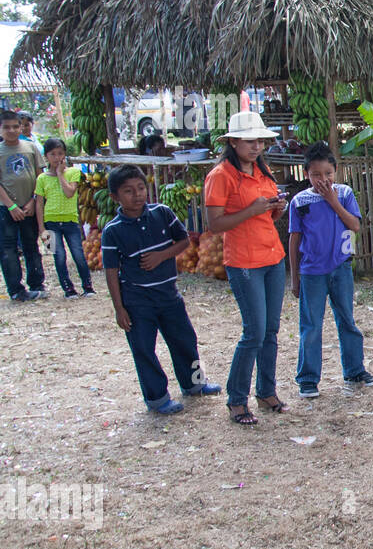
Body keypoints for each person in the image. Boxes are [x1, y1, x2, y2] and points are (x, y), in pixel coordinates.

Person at [104, 165, 222, 414]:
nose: (137, 195)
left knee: (185, 341)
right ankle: (157, 398)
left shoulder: (162, 213)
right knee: (144, 349)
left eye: (140, 188)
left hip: (169, 296)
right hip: (137, 301)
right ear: (115, 197)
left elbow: (182, 241)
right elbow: (111, 271)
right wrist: (119, 308)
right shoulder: (113, 231)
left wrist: (161, 256)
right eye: (128, 191)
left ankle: (194, 384)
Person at [204, 111, 289, 425]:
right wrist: (251, 210)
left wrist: (275, 208)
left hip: (273, 259)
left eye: (260, 141)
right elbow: (214, 224)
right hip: (243, 262)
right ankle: (237, 400)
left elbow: (267, 218)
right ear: (234, 142)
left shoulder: (262, 172)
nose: (257, 146)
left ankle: (266, 391)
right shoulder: (220, 176)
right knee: (253, 332)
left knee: (270, 331)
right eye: (251, 141)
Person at [288, 142, 372, 399]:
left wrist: (333, 201)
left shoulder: (344, 194)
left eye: (328, 173)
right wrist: (294, 277)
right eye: (316, 174)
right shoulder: (300, 201)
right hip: (312, 272)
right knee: (311, 325)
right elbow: (294, 239)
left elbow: (354, 226)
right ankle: (308, 379)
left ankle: (355, 370)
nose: (322, 179)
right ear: (306, 175)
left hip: (341, 268)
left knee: (347, 320)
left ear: (336, 172)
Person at [34, 137, 94, 297]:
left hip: (71, 221)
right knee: (58, 256)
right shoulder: (41, 178)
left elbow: (69, 193)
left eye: (60, 153)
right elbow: (39, 204)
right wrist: (41, 228)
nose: (56, 158)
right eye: (52, 154)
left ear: (65, 155)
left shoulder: (73, 173)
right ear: (46, 156)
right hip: (50, 222)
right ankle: (68, 288)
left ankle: (87, 286)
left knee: (78, 254)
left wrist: (60, 175)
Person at [0, 109, 47, 301]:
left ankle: (37, 284)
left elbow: (39, 177)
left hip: (30, 206)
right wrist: (11, 206)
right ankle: (16, 290)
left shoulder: (30, 148)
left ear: (21, 127)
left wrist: (33, 201)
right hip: (5, 209)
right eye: (6, 127)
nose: (11, 130)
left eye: (15, 126)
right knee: (8, 249)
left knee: (31, 245)